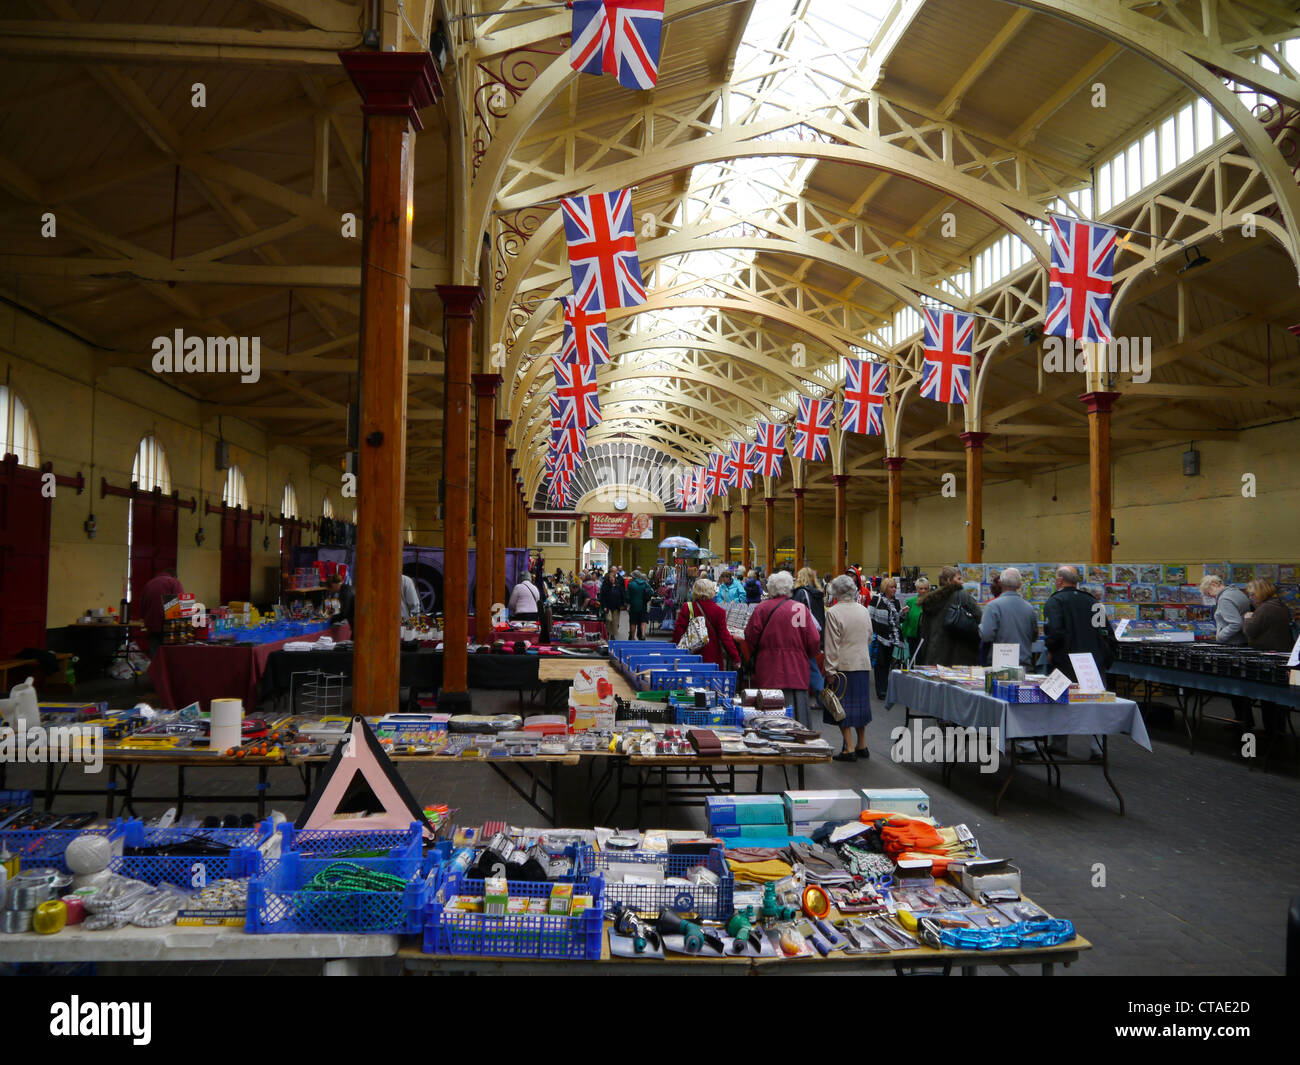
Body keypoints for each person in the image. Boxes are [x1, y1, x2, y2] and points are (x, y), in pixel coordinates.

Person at [1043, 566, 1116, 757]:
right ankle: (1098, 748)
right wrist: (1105, 658)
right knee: (1096, 706)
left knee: (1057, 702)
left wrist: (1051, 650)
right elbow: (1106, 632)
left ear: (1059, 581)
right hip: (1093, 662)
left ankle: (1058, 743)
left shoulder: (1055, 601)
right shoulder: (1093, 602)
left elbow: (1055, 631)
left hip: (1064, 661)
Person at [743, 571, 820, 726]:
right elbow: (813, 640)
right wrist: (803, 655)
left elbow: (750, 637)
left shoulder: (762, 609)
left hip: (768, 668)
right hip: (796, 669)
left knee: (770, 712)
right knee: (798, 715)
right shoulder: (799, 609)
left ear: (771, 588)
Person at [824, 574, 874, 760]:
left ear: (835, 591)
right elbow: (869, 636)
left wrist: (830, 670)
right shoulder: (863, 610)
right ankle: (862, 745)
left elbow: (831, 645)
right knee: (861, 708)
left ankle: (849, 748)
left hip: (843, 667)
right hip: (862, 663)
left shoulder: (834, 612)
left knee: (841, 708)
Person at [1201, 573, 1255, 731]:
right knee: (1241, 687)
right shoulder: (1237, 592)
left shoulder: (1224, 599)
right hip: (1243, 643)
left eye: (1208, 593)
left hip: (1233, 646)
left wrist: (1220, 636)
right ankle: (1245, 720)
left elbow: (1235, 624)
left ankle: (1242, 722)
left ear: (1214, 586)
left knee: (1235, 688)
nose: (1210, 596)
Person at [1244, 578, 1293, 735]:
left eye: (1252, 594)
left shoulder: (1264, 609)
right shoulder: (1280, 606)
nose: (1251, 598)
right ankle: (1278, 729)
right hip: (1281, 654)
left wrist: (1247, 619)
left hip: (1267, 656)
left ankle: (1270, 731)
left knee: (1267, 697)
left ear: (1260, 592)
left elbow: (1250, 631)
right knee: (1277, 698)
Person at [918, 566, 982, 666]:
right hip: (959, 654)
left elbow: (924, 631)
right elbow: (979, 616)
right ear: (949, 580)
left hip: (934, 654)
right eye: (959, 578)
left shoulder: (930, 601)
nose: (962, 582)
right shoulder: (961, 595)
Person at [673, 578, 740, 669]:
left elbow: (678, 632)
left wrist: (675, 652)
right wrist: (735, 657)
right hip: (712, 657)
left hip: (689, 656)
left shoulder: (687, 607)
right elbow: (725, 637)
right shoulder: (719, 611)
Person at [978, 567, 1039, 668]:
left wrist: (980, 627)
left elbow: (986, 635)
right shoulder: (1029, 608)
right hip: (1023, 663)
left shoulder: (993, 606)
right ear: (1020, 585)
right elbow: (1034, 636)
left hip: (998, 663)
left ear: (1000, 583)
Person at [867, 576, 903, 699]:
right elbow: (869, 616)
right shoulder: (877, 599)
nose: (894, 589)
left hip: (892, 638)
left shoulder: (896, 602)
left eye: (895, 587)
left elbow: (897, 621)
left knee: (887, 664)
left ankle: (885, 687)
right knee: (879, 664)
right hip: (879, 637)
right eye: (891, 587)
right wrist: (871, 634)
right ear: (885, 588)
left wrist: (902, 614)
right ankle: (880, 690)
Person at [140, 567, 183, 656]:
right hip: (168, 626)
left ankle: (155, 669)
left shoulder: (149, 584)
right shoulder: (174, 582)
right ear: (174, 576)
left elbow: (143, 606)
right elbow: (181, 605)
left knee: (155, 657)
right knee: (169, 656)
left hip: (151, 626)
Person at [900, 577, 929, 663]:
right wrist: (903, 635)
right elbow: (906, 620)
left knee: (925, 660)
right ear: (917, 589)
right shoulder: (910, 601)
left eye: (926, 588)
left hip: (928, 636)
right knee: (914, 659)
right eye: (921, 588)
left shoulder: (933, 601)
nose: (923, 590)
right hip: (913, 635)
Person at [625, 569, 653, 640]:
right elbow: (651, 592)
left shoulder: (631, 584)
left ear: (634, 576)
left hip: (633, 606)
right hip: (643, 605)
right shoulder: (644, 583)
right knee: (643, 621)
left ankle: (632, 637)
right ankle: (643, 634)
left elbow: (627, 597)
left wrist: (629, 602)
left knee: (633, 622)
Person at [600, 570, 627, 638]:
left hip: (616, 607)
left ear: (615, 578)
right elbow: (602, 597)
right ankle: (608, 632)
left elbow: (622, 595)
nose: (612, 579)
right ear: (608, 579)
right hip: (608, 606)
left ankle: (612, 635)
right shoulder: (605, 587)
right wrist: (604, 606)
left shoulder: (618, 586)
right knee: (609, 620)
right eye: (610, 577)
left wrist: (622, 604)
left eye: (613, 577)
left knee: (615, 622)